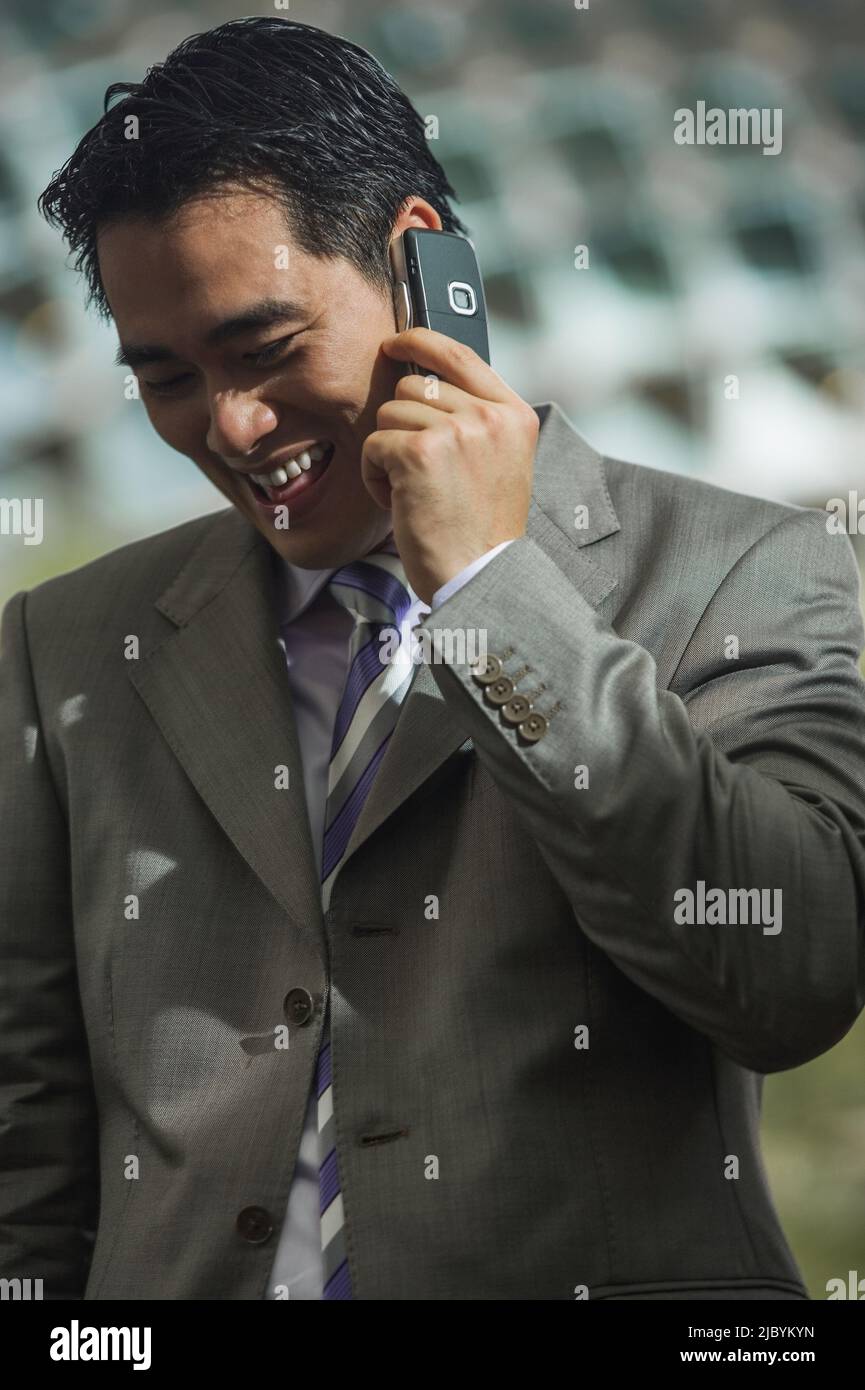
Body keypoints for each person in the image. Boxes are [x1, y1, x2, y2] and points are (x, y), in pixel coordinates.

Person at [2, 16, 864, 1301]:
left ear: (421, 265)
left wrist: (489, 590)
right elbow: (30, 1149)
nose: (231, 426)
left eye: (265, 349)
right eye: (167, 376)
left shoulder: (745, 571)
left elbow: (788, 973)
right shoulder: (65, 646)